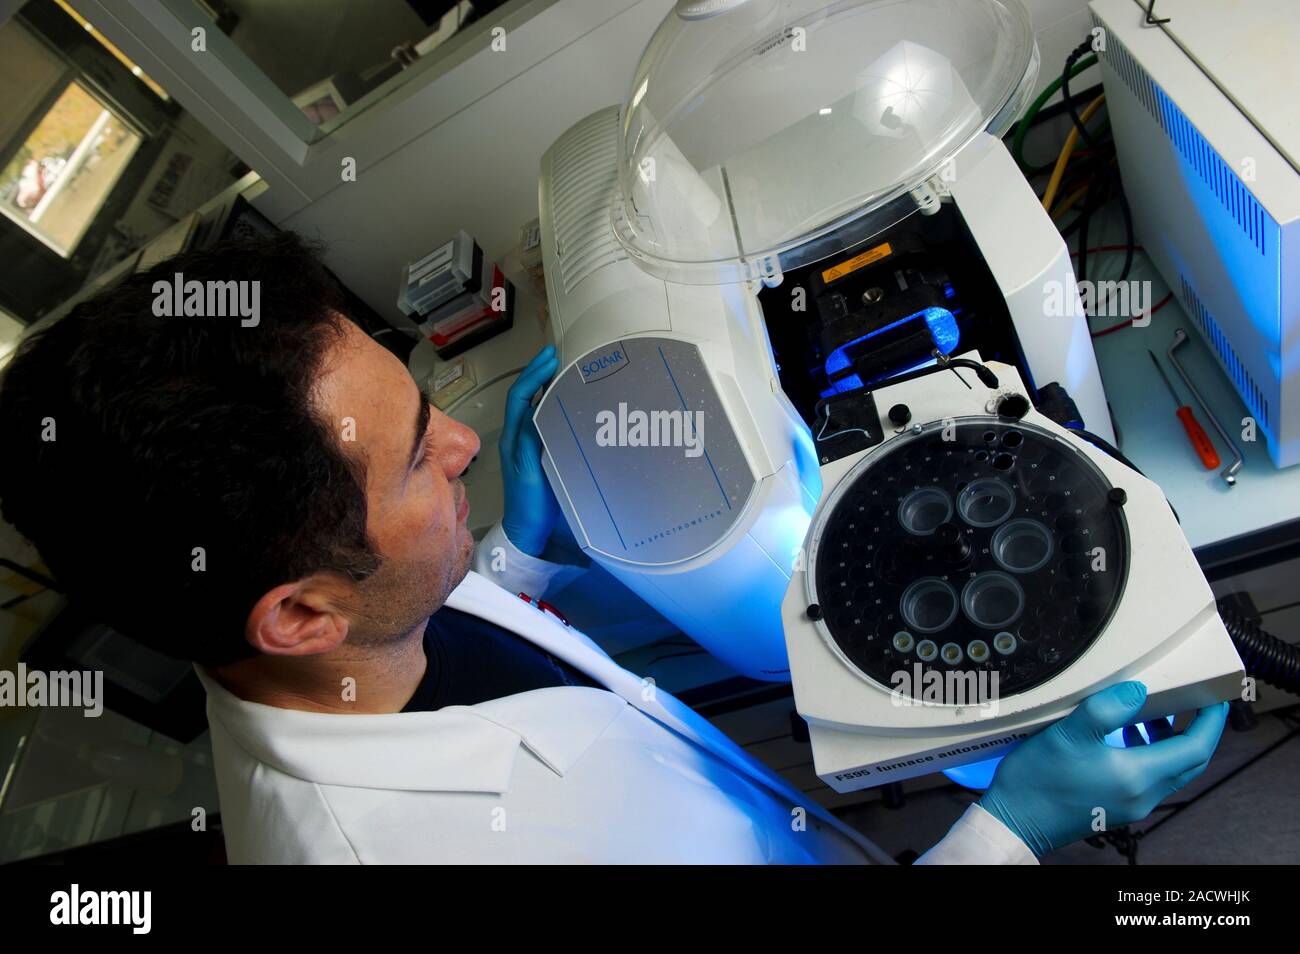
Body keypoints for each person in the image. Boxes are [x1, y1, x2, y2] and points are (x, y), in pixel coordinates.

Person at [0, 233, 1227, 864]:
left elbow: (446, 653)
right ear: (299, 616)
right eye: (422, 453)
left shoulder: (319, 645)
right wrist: (1014, 831)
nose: (470, 446)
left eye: (429, 405)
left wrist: (513, 565)